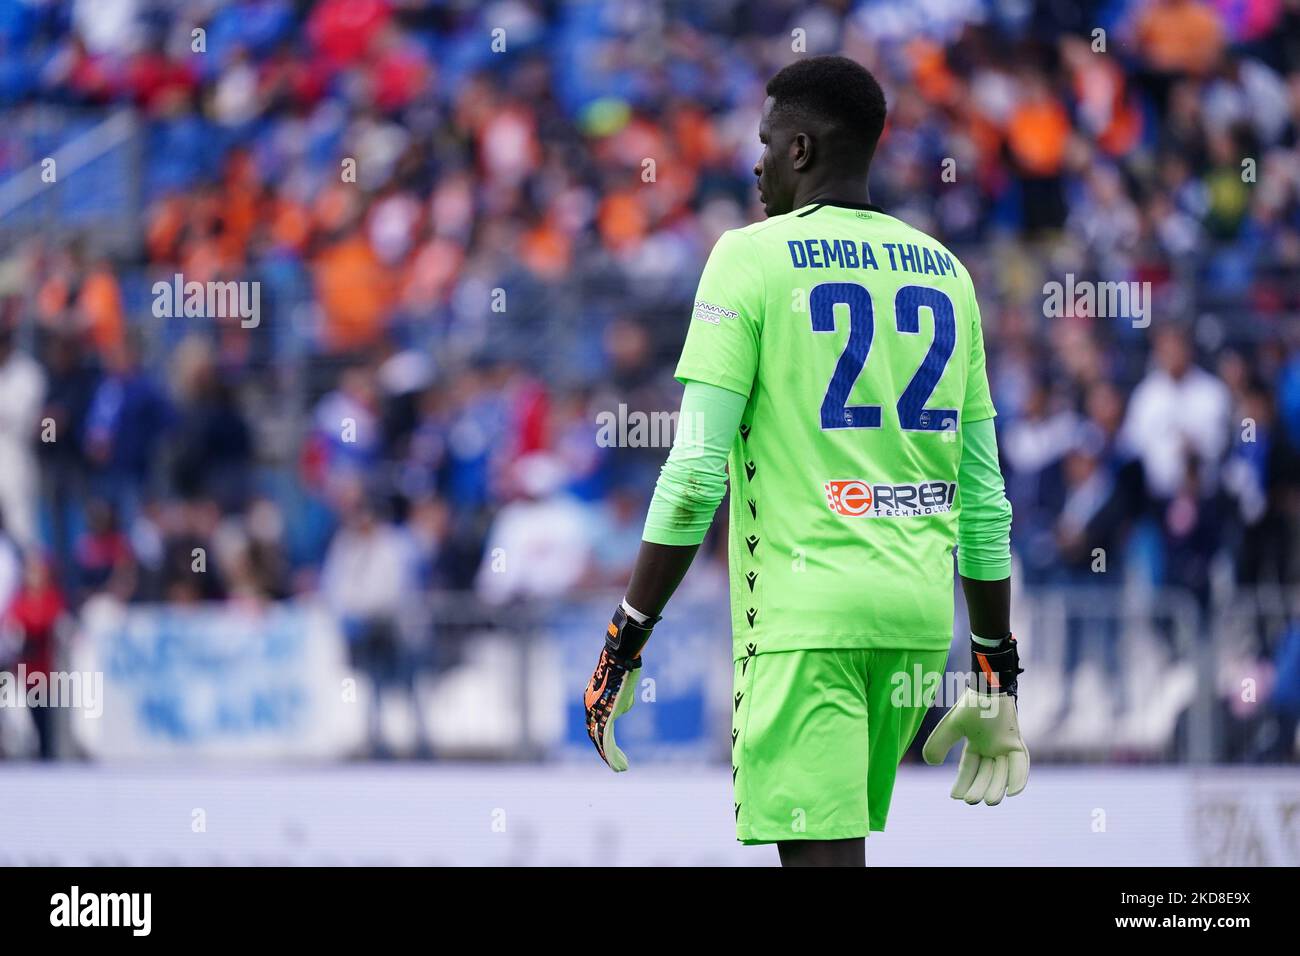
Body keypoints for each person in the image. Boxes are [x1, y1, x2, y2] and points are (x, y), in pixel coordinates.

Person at [582, 56, 1026, 867]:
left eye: (765, 140)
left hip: (806, 622)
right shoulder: (949, 275)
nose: (753, 160)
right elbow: (985, 497)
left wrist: (625, 636)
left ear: (800, 151)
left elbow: (692, 478)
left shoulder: (747, 259)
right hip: (917, 631)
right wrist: (997, 668)